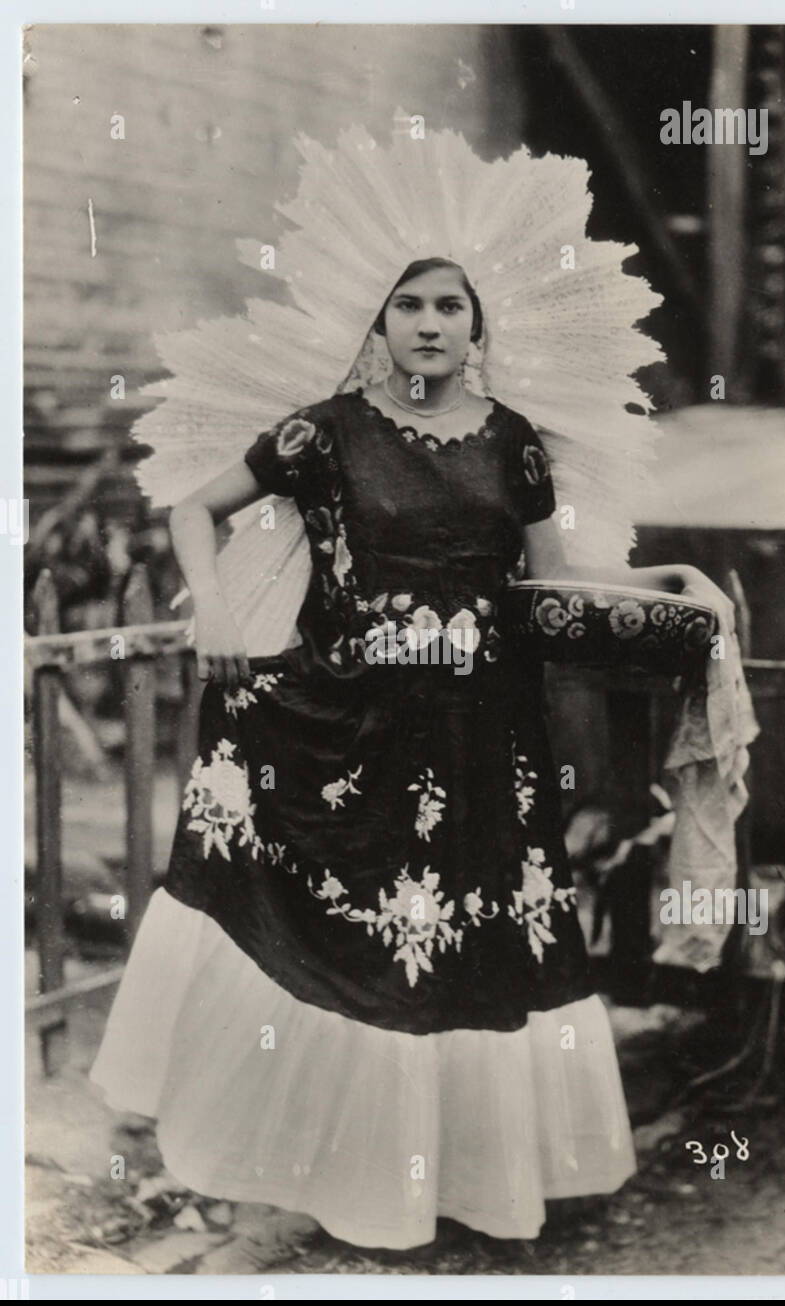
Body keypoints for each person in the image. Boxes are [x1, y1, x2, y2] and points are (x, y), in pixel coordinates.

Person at [90, 257, 731, 1252]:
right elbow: (191, 509)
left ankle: (460, 1185)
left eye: (449, 308)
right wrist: (212, 602)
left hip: (488, 741)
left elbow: (553, 580)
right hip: (350, 728)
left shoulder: (514, 443)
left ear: (476, 328)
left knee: (463, 948)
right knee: (363, 945)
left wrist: (674, 579)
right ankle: (357, 1185)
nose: (429, 324)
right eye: (411, 306)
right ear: (381, 323)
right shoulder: (324, 432)